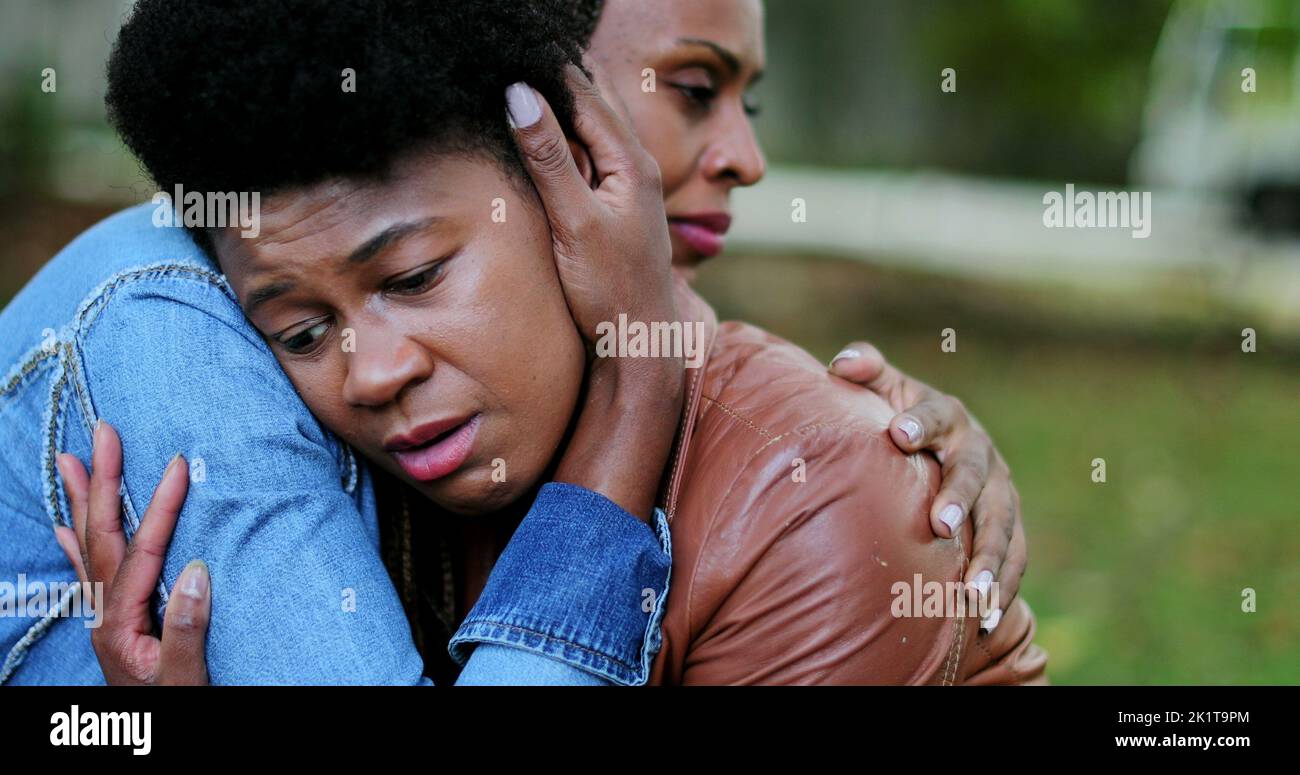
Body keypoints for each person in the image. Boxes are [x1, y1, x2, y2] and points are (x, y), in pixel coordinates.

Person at [55, 0, 1045, 684]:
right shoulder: (220, 377)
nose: (374, 373)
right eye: (306, 331)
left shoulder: (807, 499)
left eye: (414, 279)